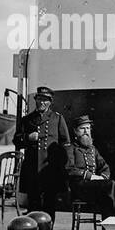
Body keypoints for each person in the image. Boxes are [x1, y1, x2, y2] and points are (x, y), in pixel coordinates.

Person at [17, 86, 70, 222]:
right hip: (32, 168)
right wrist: (28, 137)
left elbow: (66, 143)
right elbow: (16, 140)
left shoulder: (57, 118)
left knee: (49, 203)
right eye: (39, 99)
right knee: (33, 203)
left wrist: (62, 164)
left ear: (50, 102)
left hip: (50, 169)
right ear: (36, 100)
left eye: (45, 100)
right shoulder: (27, 119)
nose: (42, 102)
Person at [64, 115, 115, 218]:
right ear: (75, 131)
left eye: (87, 128)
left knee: (107, 198)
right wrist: (91, 176)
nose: (85, 131)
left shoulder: (93, 149)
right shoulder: (70, 148)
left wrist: (103, 177)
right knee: (111, 185)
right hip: (79, 188)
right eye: (82, 128)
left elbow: (105, 167)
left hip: (94, 187)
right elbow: (69, 170)